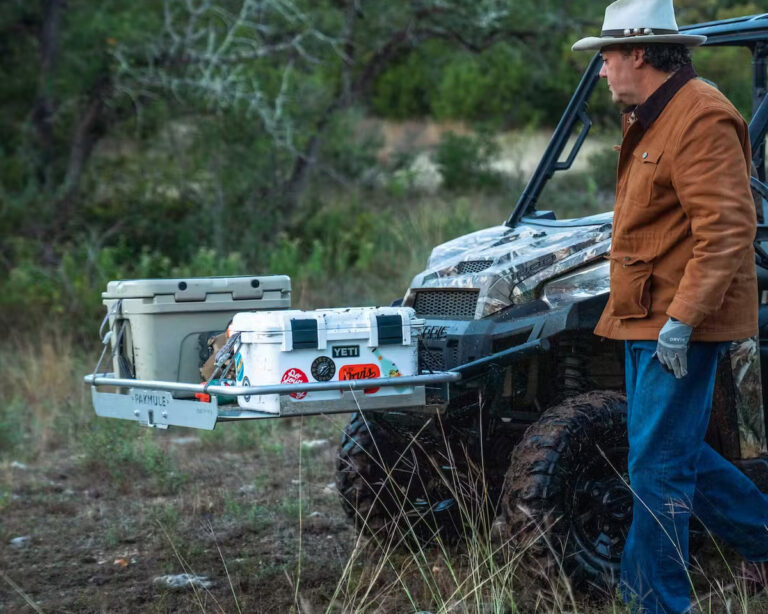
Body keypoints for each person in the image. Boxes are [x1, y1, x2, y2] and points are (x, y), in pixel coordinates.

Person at [572, 0, 768, 612]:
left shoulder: (700, 116)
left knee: (657, 468)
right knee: (666, 455)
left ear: (637, 53)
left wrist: (682, 322)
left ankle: (656, 603)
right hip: (644, 316)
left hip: (675, 322)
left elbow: (728, 229)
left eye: (605, 57)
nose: (602, 71)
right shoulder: (652, 115)